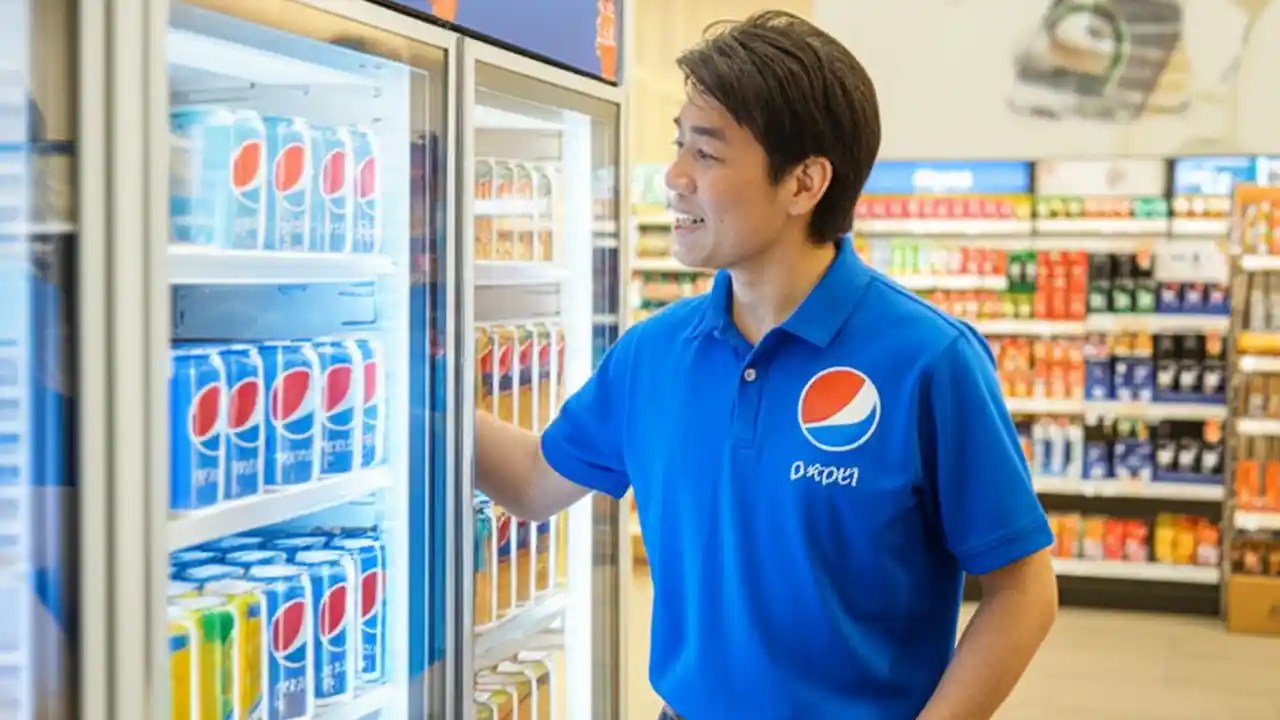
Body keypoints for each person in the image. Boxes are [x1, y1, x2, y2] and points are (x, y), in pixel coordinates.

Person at [476, 10, 1058, 719]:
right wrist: (414, 387)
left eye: (709, 155)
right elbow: (536, 482)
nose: (674, 176)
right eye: (678, 146)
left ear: (804, 183)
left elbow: (1022, 589)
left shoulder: (929, 361)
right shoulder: (653, 354)